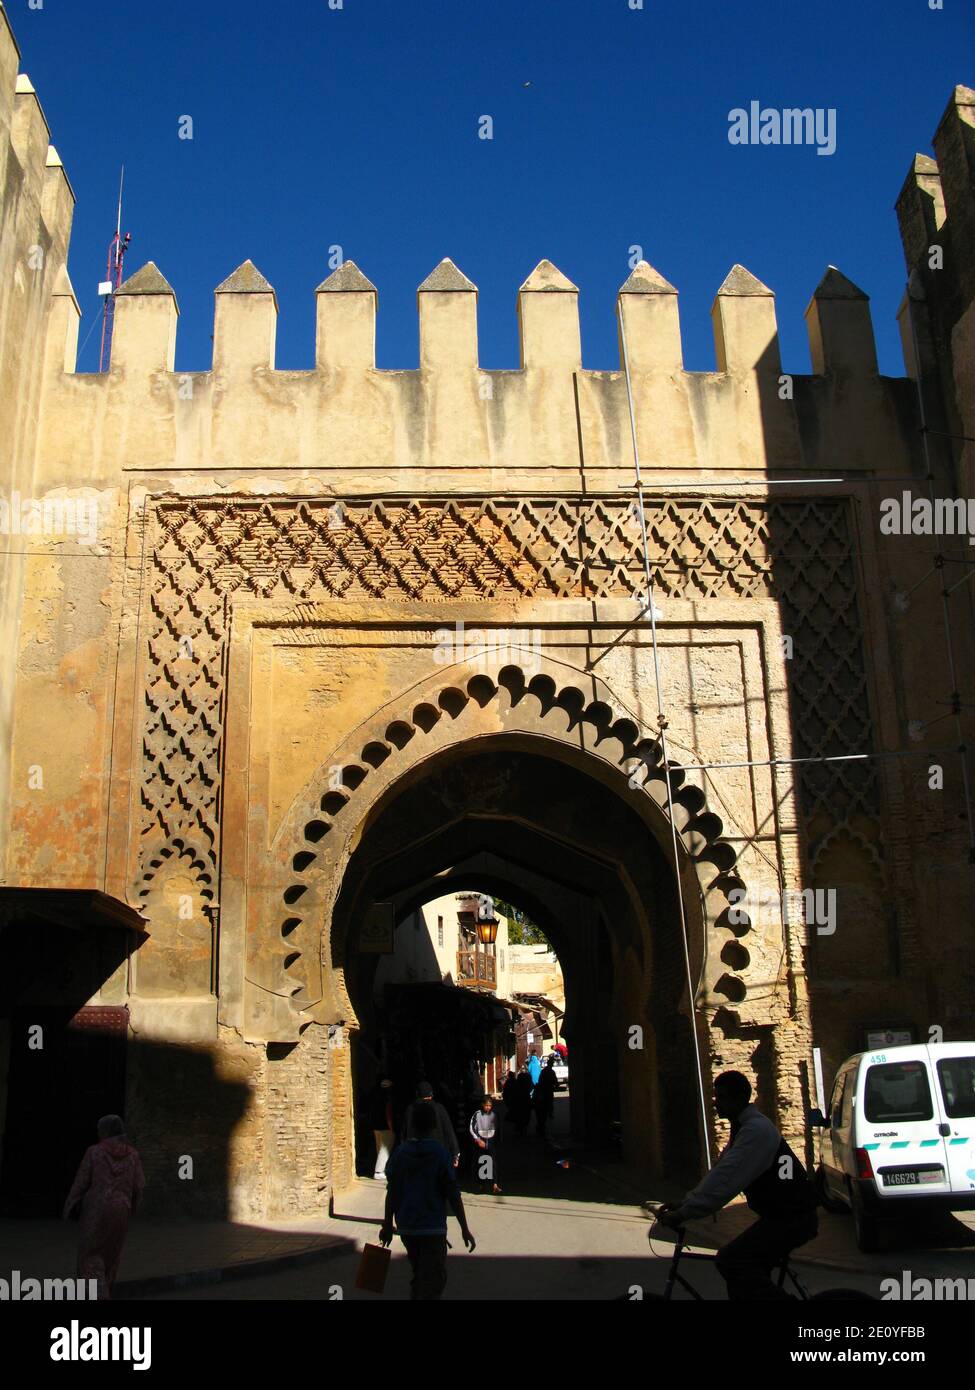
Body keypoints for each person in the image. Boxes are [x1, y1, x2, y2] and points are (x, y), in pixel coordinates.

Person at [655, 1070, 819, 1300]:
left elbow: (727, 1179)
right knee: (744, 1273)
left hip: (793, 1218)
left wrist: (685, 1213)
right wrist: (684, 1202)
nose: (716, 1103)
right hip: (780, 1216)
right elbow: (719, 1172)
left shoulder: (756, 1131)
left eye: (722, 1097)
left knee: (732, 1261)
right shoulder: (742, 1127)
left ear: (740, 1099)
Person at [379, 1101, 476, 1299]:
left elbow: (393, 1192)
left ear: (412, 1125)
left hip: (408, 1227)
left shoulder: (400, 1154)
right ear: (433, 1125)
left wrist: (387, 1224)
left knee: (421, 1274)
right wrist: (464, 1227)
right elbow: (452, 1193)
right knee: (433, 1279)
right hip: (433, 1228)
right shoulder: (440, 1154)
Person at [62, 1114, 146, 1301]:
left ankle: (99, 1296)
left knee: (91, 1256)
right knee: (111, 1257)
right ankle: (105, 1290)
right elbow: (140, 1186)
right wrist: (132, 1208)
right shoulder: (133, 1155)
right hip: (121, 1211)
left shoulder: (94, 1152)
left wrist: (69, 1206)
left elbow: (81, 1182)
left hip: (96, 1212)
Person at [402, 1080, 460, 1167]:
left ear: (417, 1093)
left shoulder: (410, 1109)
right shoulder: (439, 1108)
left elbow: (403, 1133)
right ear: (431, 1094)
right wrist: (455, 1153)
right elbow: (448, 1131)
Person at [469, 1095, 502, 1194]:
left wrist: (498, 1139)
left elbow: (498, 1128)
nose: (488, 1107)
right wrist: (477, 1140)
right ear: (482, 1105)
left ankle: (494, 1185)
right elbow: (471, 1128)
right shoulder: (477, 1114)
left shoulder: (494, 1114)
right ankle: (481, 1185)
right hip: (481, 1141)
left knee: (493, 1162)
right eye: (486, 1105)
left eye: (490, 1105)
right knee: (481, 1162)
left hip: (491, 1141)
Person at [368, 1076, 396, 1181]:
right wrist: (392, 1127)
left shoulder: (375, 1098)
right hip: (385, 1127)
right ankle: (379, 1172)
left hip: (376, 1127)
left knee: (379, 1148)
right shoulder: (387, 1099)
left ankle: (380, 1170)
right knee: (384, 1150)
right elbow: (388, 1114)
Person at [532, 1054, 558, 1138]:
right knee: (548, 1105)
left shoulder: (544, 1071)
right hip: (548, 1091)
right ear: (552, 1064)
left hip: (542, 1092)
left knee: (541, 1110)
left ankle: (541, 1125)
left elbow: (540, 1080)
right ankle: (549, 1115)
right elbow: (555, 1082)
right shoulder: (551, 1072)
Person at [512, 1066, 534, 1136]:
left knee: (520, 1113)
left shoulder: (519, 1077)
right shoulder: (528, 1076)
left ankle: (520, 1128)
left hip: (519, 1098)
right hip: (526, 1098)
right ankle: (524, 1128)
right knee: (526, 1113)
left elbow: (516, 1086)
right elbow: (532, 1086)